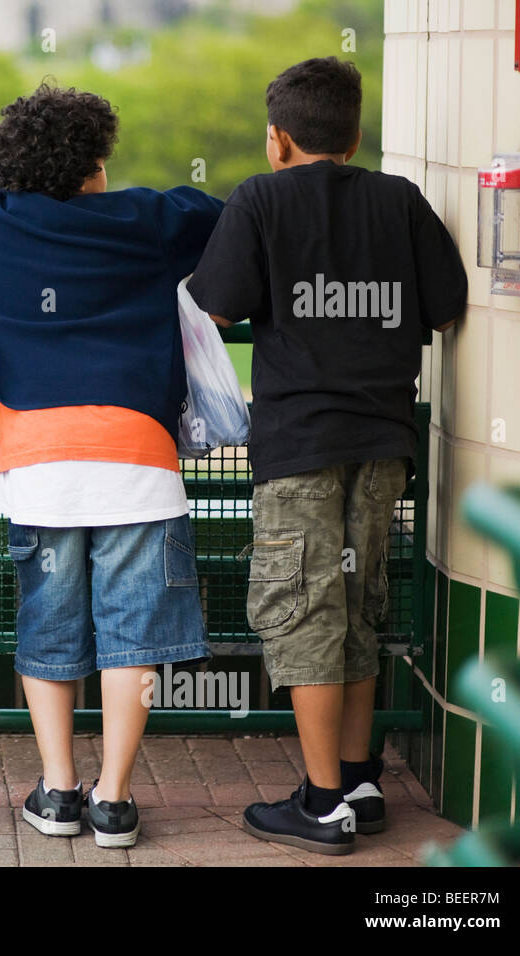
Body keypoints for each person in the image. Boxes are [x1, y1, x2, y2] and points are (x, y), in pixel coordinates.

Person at [0, 84, 222, 847]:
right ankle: (115, 801)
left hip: (37, 462)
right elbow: (220, 214)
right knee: (133, 637)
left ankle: (58, 792)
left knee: (50, 628)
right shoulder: (147, 220)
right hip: (139, 457)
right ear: (96, 162)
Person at [187, 57, 466, 854]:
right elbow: (446, 309)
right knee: (357, 607)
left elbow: (219, 301)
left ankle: (320, 804)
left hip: (300, 444)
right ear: (355, 134)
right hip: (383, 443)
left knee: (303, 609)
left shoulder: (259, 199)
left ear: (278, 139)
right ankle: (358, 778)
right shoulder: (400, 200)